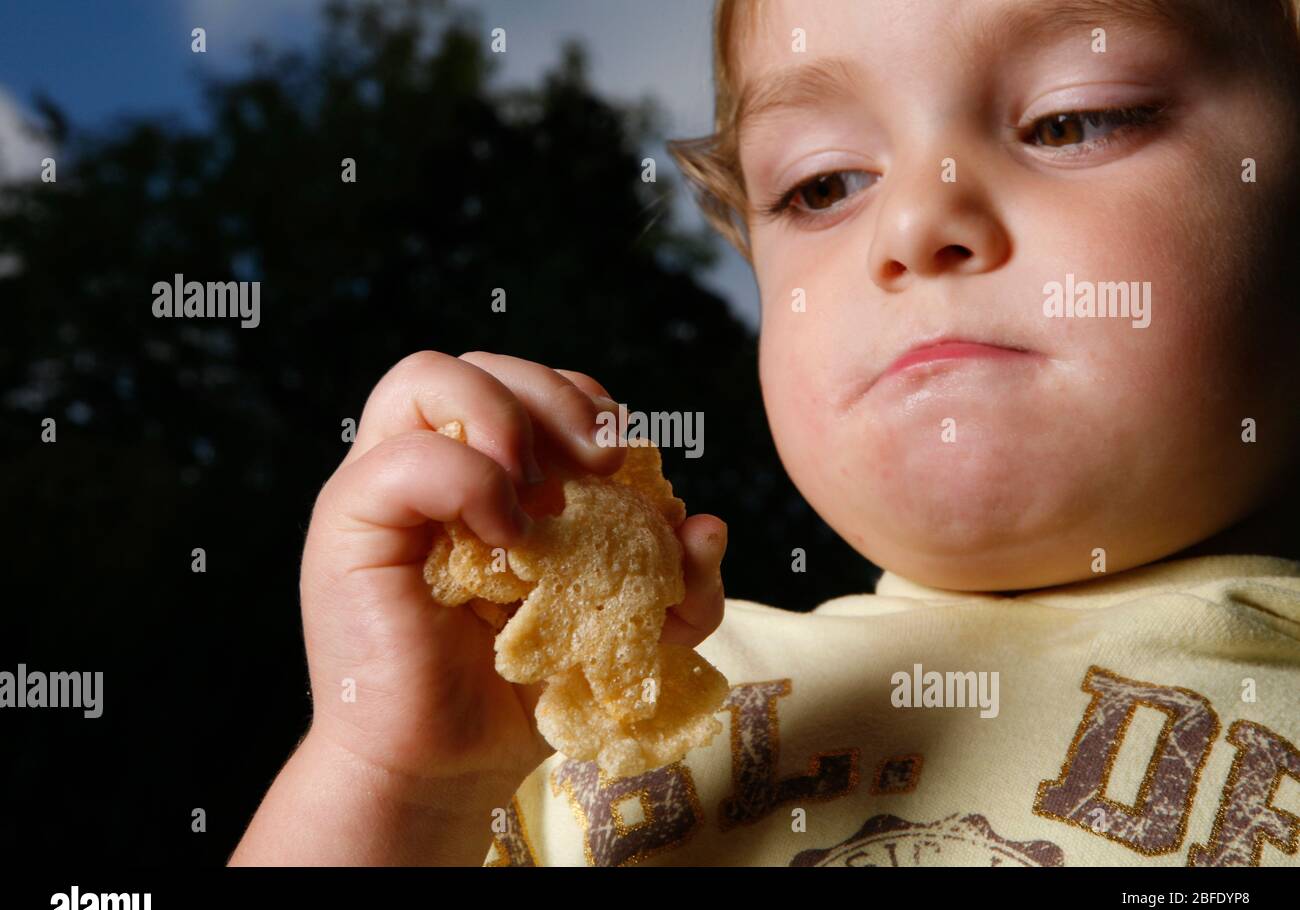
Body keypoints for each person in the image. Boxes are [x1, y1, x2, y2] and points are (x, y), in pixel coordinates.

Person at [230, 0, 1300, 866]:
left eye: (1072, 119)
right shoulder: (588, 719)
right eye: (823, 184)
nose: (916, 224)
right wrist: (400, 782)